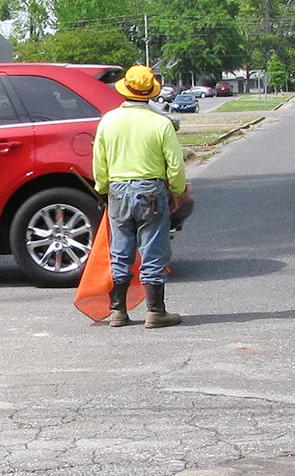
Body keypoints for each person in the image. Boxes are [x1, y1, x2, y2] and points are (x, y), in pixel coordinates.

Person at [92, 65, 188, 329]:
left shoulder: (108, 121)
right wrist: (178, 191)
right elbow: (175, 165)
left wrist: (103, 189)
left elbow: (99, 163)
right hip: (151, 191)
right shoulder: (160, 124)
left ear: (125, 89)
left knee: (120, 252)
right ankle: (155, 311)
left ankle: (118, 311)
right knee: (153, 250)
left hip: (118, 190)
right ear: (150, 93)